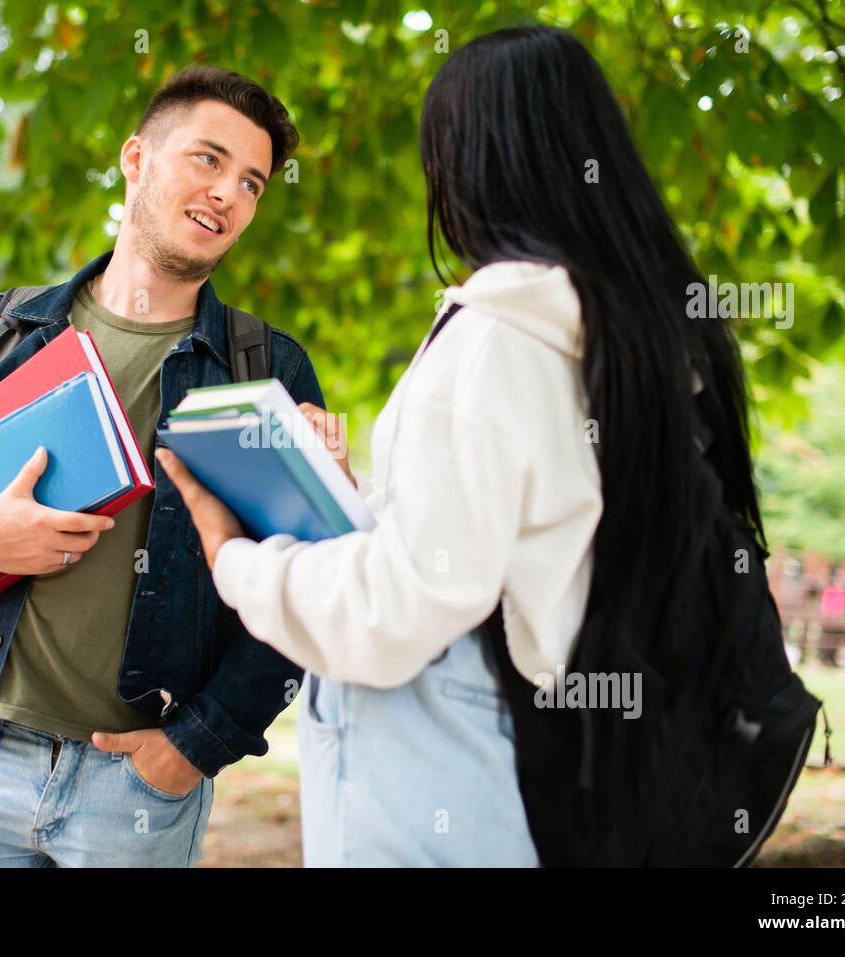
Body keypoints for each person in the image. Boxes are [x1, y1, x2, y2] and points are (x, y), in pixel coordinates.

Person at [158, 26, 767, 866]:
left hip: (446, 748)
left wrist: (235, 557)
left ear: (476, 160)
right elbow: (520, 526)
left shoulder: (499, 336)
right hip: (564, 747)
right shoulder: (640, 336)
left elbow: (402, 606)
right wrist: (361, 494)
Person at [0, 65, 326, 867]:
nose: (228, 194)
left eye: (252, 182)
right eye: (208, 160)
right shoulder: (6, 330)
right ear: (136, 158)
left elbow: (304, 591)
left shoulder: (265, 371)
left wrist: (198, 743)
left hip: (139, 791)